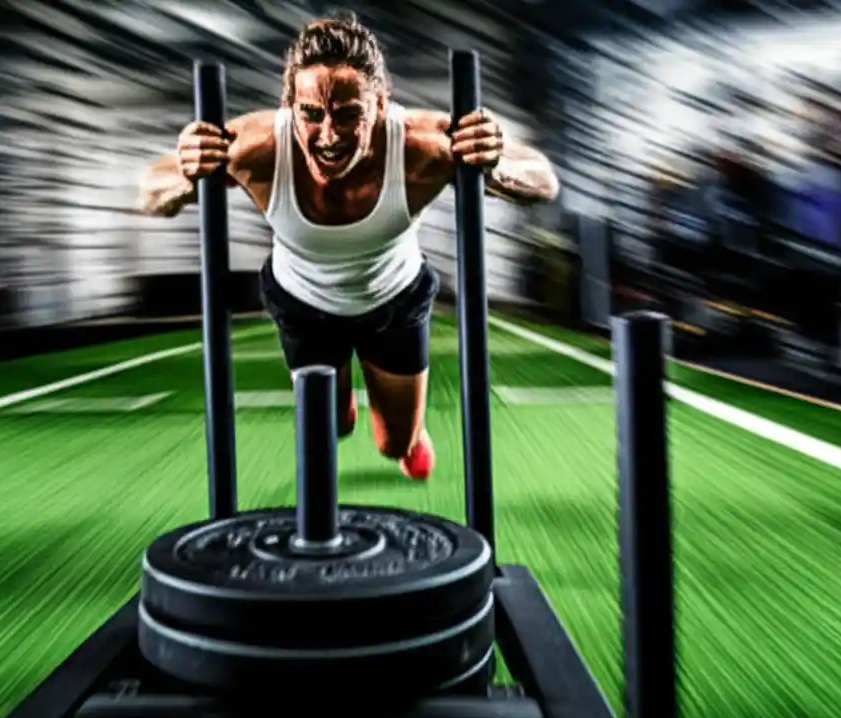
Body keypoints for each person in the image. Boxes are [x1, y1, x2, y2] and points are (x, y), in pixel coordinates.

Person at [136, 14, 558, 480]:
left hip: (392, 299)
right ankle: (340, 405)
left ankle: (406, 436)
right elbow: (151, 193)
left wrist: (496, 168)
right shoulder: (255, 147)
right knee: (329, 426)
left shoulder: (422, 146)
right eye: (311, 114)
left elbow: (543, 180)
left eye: (348, 113)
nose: (329, 134)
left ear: (380, 105)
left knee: (394, 441)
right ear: (289, 106)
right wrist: (184, 168)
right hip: (303, 303)